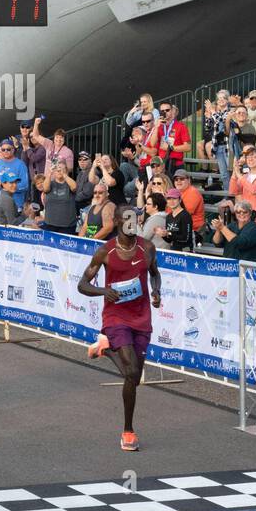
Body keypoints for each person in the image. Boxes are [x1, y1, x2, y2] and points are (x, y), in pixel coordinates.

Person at [79, 208, 162, 452]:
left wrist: (156, 292)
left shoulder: (147, 248)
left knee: (133, 377)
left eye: (134, 220)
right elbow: (82, 284)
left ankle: (106, 350)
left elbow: (155, 275)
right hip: (116, 316)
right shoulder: (106, 251)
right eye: (126, 220)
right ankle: (128, 431)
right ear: (116, 222)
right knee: (132, 369)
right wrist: (103, 291)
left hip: (141, 317)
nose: (131, 224)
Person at [0, 140, 28, 226]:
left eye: (8, 149)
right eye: (3, 150)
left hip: (16, 205)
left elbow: (25, 185)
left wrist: (7, 186)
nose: (5, 151)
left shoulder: (20, 164)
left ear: (13, 149)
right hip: (0, 205)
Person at [41, 158, 79, 234]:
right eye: (57, 169)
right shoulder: (50, 183)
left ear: (67, 171)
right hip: (50, 224)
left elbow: (74, 187)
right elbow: (45, 188)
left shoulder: (69, 183)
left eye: (61, 168)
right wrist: (49, 173)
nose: (59, 170)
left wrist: (64, 174)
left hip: (67, 226)